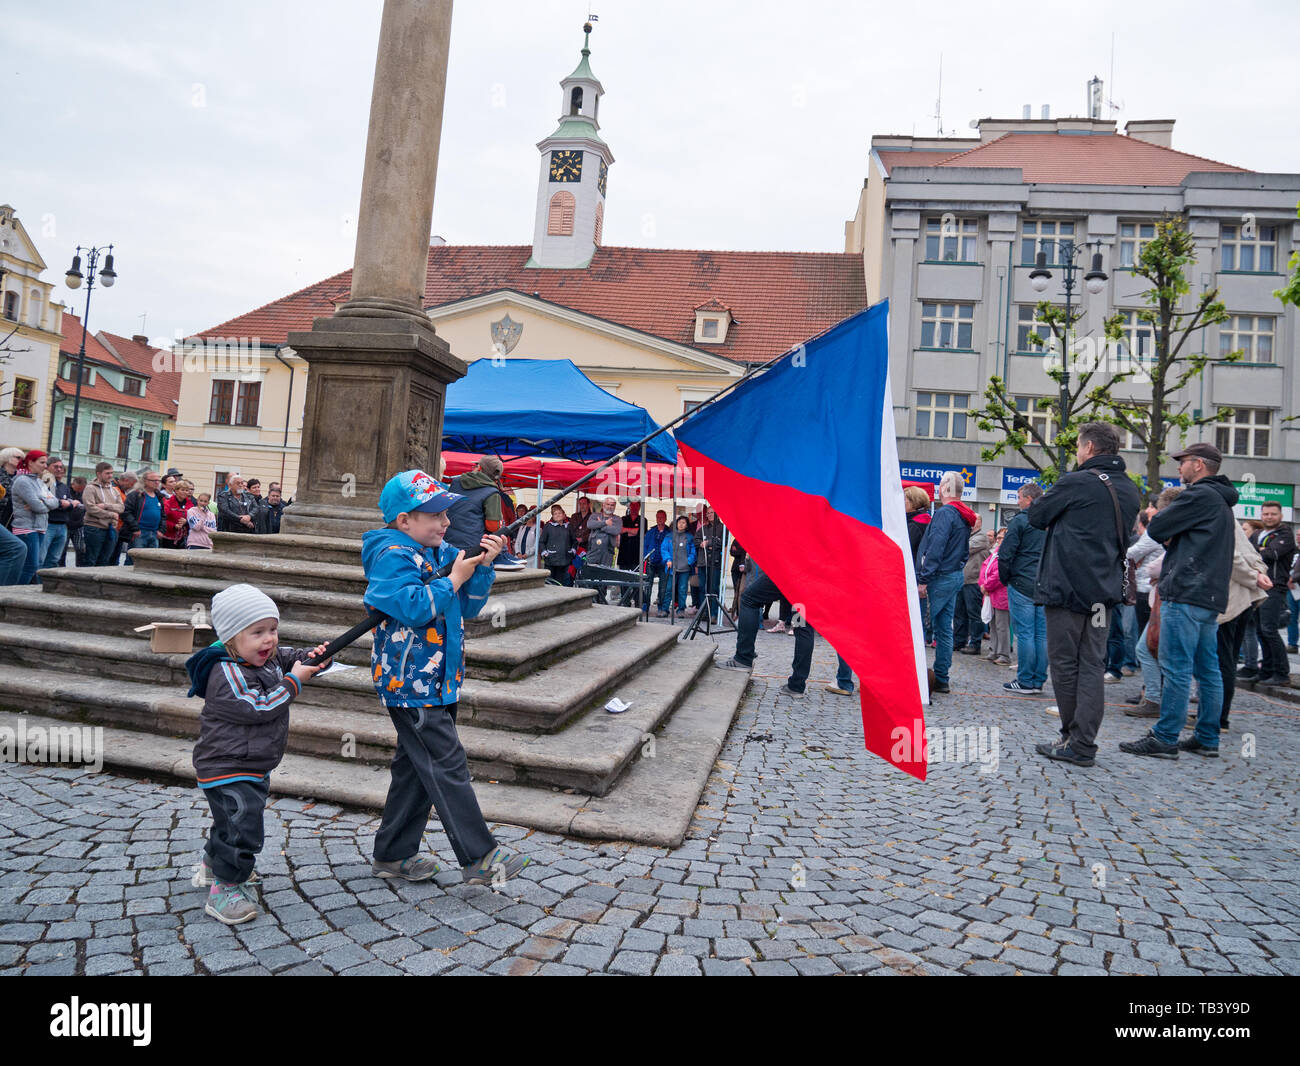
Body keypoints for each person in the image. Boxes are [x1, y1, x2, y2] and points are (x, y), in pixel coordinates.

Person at [362, 470, 531, 885]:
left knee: (415, 771)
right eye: (435, 514)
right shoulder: (390, 555)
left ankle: (393, 854)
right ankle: (480, 859)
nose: (446, 522)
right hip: (410, 682)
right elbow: (415, 606)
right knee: (445, 763)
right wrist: (455, 577)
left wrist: (483, 568)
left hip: (439, 679)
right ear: (404, 521)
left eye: (446, 513)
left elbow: (469, 607)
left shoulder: (437, 550)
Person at [185, 583, 331, 923]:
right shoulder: (227, 672)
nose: (270, 640)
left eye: (273, 630)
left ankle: (212, 867)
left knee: (231, 821)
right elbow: (259, 708)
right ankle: (226, 889)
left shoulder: (262, 656)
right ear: (232, 638)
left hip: (250, 763)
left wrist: (315, 658)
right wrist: (294, 682)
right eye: (258, 633)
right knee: (242, 829)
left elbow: (292, 657)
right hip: (227, 766)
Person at [1028, 422, 1140, 768]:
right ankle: (1084, 740)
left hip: (1067, 589)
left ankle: (1072, 739)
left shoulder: (1076, 481)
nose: (1077, 452)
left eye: (1078, 446)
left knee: (1064, 663)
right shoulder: (1129, 490)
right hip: (1103, 594)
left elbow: (1037, 515)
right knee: (1092, 664)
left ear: (1089, 448)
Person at [1120, 442, 1236, 759]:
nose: (1178, 467)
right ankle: (1207, 737)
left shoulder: (1199, 496)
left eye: (1182, 462)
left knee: (1176, 668)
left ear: (1198, 464)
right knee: (1207, 670)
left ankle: (1166, 737)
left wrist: (1168, 523)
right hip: (1208, 595)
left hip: (1186, 591)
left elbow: (1157, 527)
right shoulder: (1222, 501)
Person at [915, 471, 978, 694]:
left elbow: (936, 548)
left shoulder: (946, 514)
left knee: (920, 627)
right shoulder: (964, 515)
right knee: (944, 629)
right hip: (953, 575)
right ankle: (941, 677)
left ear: (944, 488)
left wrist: (923, 579)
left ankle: (918, 678)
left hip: (939, 577)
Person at [1123, 487, 1183, 719]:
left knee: (1150, 647)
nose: (1148, 510)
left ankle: (1156, 700)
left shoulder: (1165, 527)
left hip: (1157, 593)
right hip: (1156, 592)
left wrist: (1149, 568)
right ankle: (1151, 694)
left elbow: (1142, 556)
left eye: (1152, 506)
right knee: (1149, 646)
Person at [719, 555, 815, 698]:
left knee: (748, 599)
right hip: (810, 574)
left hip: (791, 567)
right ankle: (797, 685)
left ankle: (743, 657)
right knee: (802, 625)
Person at [1216, 523, 1270, 733]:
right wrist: (1256, 575)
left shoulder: (1220, 514)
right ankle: (1217, 716)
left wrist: (1254, 577)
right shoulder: (1230, 520)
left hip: (1232, 601)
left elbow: (1233, 558)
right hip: (1238, 600)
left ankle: (1219, 718)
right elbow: (1254, 558)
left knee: (1223, 660)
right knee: (1225, 659)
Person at [999, 483, 1047, 694]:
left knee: (1025, 633)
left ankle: (1026, 679)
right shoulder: (1050, 522)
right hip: (1044, 584)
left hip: (1022, 583)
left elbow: (1006, 553)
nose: (1017, 501)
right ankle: (1038, 680)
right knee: (1041, 635)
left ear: (1028, 499)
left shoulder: (1020, 521)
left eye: (1019, 497)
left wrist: (1006, 578)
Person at [446, 456, 524, 570]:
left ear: (479, 467)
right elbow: (493, 526)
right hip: (472, 547)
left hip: (448, 541)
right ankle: (499, 556)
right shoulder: (491, 492)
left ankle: (501, 555)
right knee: (498, 526)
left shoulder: (456, 482)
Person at [1248, 501, 1295, 687]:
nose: (1269, 517)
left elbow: (1272, 554)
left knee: (1269, 629)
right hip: (1257, 587)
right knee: (1260, 630)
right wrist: (1259, 551)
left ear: (1280, 516)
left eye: (1273, 514)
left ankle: (1282, 674)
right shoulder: (1258, 533)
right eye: (1266, 514)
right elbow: (1248, 553)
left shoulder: (1285, 534)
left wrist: (1259, 551)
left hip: (1275, 587)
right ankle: (1266, 671)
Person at [10, 450, 65, 584]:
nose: (45, 466)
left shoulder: (39, 481)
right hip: (26, 528)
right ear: (30, 462)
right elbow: (38, 506)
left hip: (39, 527)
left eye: (45, 462)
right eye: (42, 462)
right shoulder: (22, 481)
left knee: (33, 566)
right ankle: (15, 593)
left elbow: (55, 502)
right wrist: (43, 503)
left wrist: (42, 502)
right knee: (30, 566)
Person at [954, 514, 990, 655]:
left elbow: (964, 548)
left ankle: (975, 643)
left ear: (980, 523)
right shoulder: (967, 535)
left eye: (975, 521)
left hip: (974, 581)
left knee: (974, 614)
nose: (972, 523)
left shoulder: (981, 537)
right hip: (962, 580)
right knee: (959, 613)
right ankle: (958, 641)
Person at [905, 487, 934, 645]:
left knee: (915, 620)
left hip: (913, 576)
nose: (903, 503)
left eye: (906, 500)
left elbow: (906, 549)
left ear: (914, 503)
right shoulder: (925, 521)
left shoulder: (915, 525)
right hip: (918, 575)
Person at [81, 462, 124, 567]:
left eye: (111, 473)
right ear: (99, 474)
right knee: (91, 559)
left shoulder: (114, 490)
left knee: (105, 560)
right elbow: (91, 508)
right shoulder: (90, 488)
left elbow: (121, 507)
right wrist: (111, 514)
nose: (110, 476)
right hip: (94, 528)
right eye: (107, 473)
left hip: (111, 528)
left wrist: (105, 506)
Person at [42, 457, 82, 568]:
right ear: (47, 467)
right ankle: (37, 584)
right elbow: (51, 504)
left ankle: (48, 582)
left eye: (61, 467)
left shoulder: (63, 486)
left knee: (54, 559)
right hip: (48, 524)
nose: (59, 469)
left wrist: (66, 504)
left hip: (62, 525)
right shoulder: (46, 483)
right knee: (41, 558)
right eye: (56, 467)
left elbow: (70, 505)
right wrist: (64, 504)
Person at [979, 528, 1011, 666]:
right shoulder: (995, 553)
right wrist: (983, 585)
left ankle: (1003, 653)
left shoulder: (1006, 553)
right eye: (997, 538)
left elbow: (999, 573)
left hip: (1000, 593)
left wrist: (986, 585)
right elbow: (984, 569)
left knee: (1002, 626)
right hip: (991, 593)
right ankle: (993, 651)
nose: (998, 540)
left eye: (1001, 538)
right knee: (993, 624)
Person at [121, 469, 164, 564]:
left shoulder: (158, 496)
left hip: (154, 533)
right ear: (145, 481)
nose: (157, 482)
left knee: (151, 562)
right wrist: (135, 529)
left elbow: (163, 515)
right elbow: (126, 512)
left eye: (158, 480)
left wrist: (161, 530)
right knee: (133, 561)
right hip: (140, 533)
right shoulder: (136, 495)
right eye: (154, 480)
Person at [659, 514, 696, 615]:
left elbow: (693, 551)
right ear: (676, 524)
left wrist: (689, 561)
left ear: (687, 525)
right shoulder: (669, 536)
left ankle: (681, 609)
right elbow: (664, 549)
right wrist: (667, 559)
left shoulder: (689, 537)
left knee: (682, 590)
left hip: (684, 568)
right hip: (671, 567)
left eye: (683, 523)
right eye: (679, 522)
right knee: (668, 589)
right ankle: (665, 609)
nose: (681, 524)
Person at [695, 506, 726, 622]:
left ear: (717, 513)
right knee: (703, 588)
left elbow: (721, 542)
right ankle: (704, 612)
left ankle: (713, 614)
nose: (710, 515)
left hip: (715, 562)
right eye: (708, 513)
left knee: (713, 589)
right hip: (703, 562)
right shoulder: (703, 529)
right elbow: (696, 540)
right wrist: (708, 544)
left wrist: (708, 543)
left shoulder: (722, 528)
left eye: (712, 512)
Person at [643, 510, 671, 617]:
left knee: (663, 587)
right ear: (656, 518)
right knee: (647, 585)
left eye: (662, 517)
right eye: (658, 517)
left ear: (665, 518)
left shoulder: (669, 533)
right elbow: (645, 546)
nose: (660, 519)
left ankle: (660, 607)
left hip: (664, 563)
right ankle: (645, 606)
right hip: (651, 562)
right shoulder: (651, 532)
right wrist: (646, 558)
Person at [539, 504, 574, 585]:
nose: (558, 515)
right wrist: (545, 553)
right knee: (549, 583)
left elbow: (574, 541)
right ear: (553, 516)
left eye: (559, 513)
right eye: (555, 514)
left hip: (565, 560)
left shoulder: (568, 526)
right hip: (551, 560)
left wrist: (572, 551)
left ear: (563, 514)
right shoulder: (548, 526)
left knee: (561, 584)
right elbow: (542, 541)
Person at [584, 496, 621, 569]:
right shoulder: (594, 515)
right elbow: (590, 525)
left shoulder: (617, 519)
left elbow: (616, 530)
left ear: (615, 507)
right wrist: (605, 523)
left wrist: (599, 524)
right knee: (590, 574)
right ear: (603, 505)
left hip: (608, 553)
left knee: (604, 576)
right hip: (593, 551)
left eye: (612, 505)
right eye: (608, 504)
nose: (609, 507)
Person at [163, 479, 195, 549]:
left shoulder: (191, 505)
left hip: (183, 538)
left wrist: (186, 521)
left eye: (186, 490)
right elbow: (163, 519)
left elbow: (194, 520)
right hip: (169, 537)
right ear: (176, 491)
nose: (185, 492)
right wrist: (174, 526)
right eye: (182, 490)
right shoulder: (168, 503)